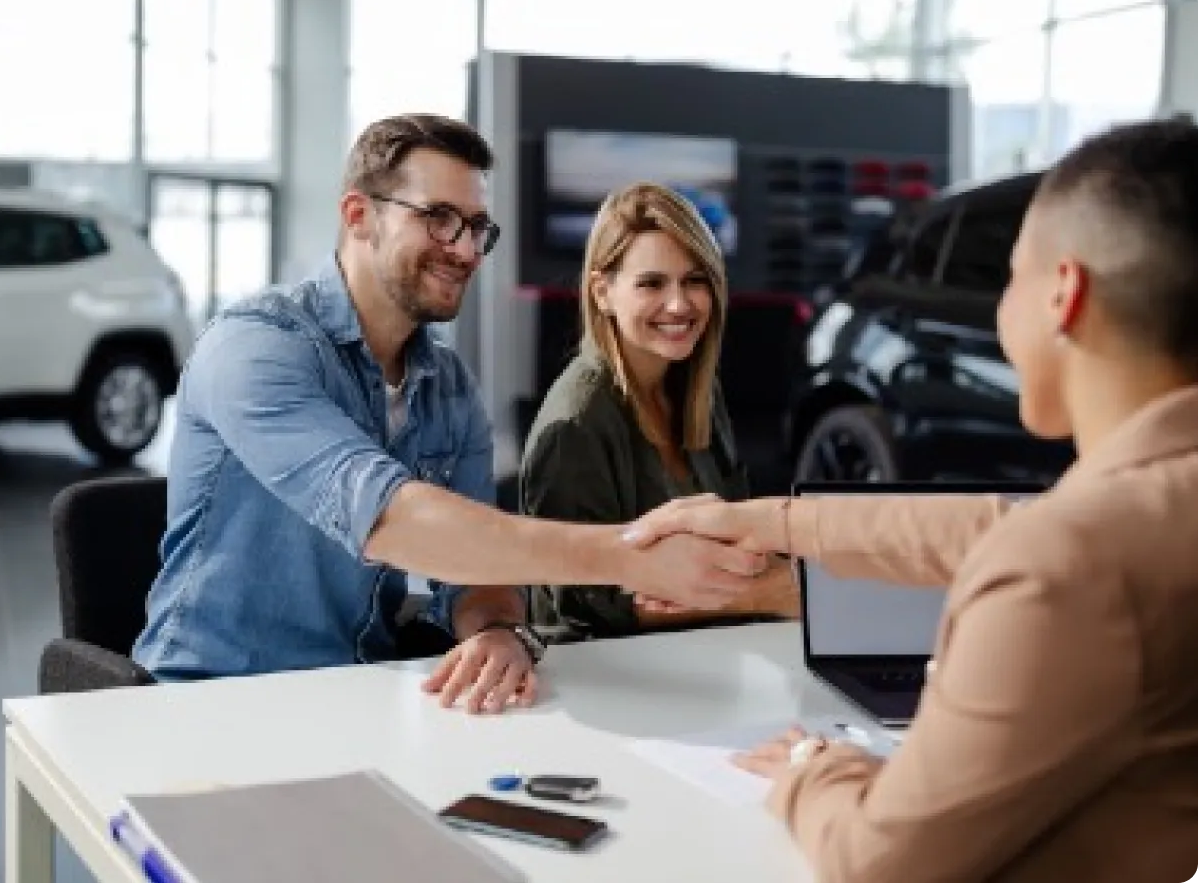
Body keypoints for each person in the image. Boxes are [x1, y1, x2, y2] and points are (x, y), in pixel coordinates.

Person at [626, 118, 1198, 880]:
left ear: (1063, 293)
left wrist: (811, 766)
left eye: (1010, 280)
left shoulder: (1071, 566)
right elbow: (1003, 522)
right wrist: (773, 520)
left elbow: (881, 863)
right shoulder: (1144, 511)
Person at [132, 114, 769, 713]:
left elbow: (477, 578)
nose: (464, 250)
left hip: (360, 694)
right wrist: (629, 557)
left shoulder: (449, 386)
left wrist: (497, 631)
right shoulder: (257, 347)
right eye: (439, 219)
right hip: (213, 699)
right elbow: (388, 520)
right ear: (359, 215)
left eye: (475, 227)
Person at [520, 182, 798, 637]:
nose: (680, 304)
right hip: (611, 685)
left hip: (707, 661)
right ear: (602, 292)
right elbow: (591, 611)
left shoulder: (695, 390)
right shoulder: (575, 424)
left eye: (695, 280)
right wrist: (774, 593)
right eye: (652, 283)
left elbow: (742, 534)